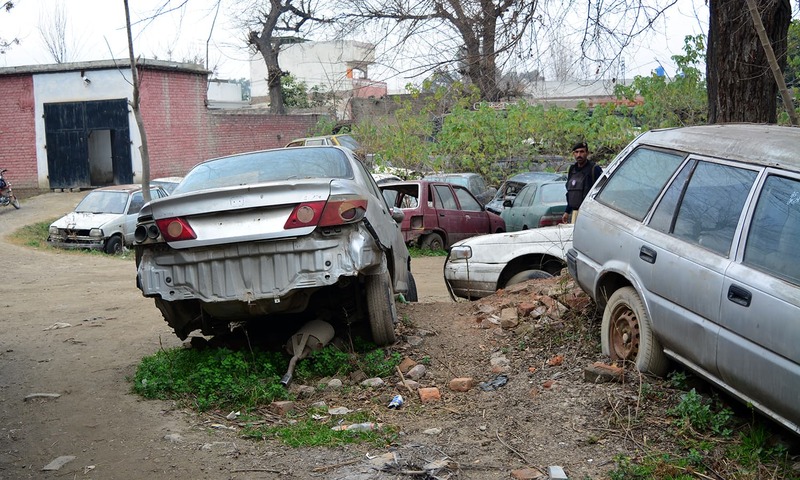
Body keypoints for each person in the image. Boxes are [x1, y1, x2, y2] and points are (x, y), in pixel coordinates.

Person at [562, 141, 603, 224]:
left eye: (582, 152)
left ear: (587, 153)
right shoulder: (572, 169)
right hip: (575, 213)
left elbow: (602, 192)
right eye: (576, 152)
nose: (579, 155)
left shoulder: (594, 169)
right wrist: (567, 211)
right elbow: (571, 193)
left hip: (590, 214)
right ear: (573, 154)